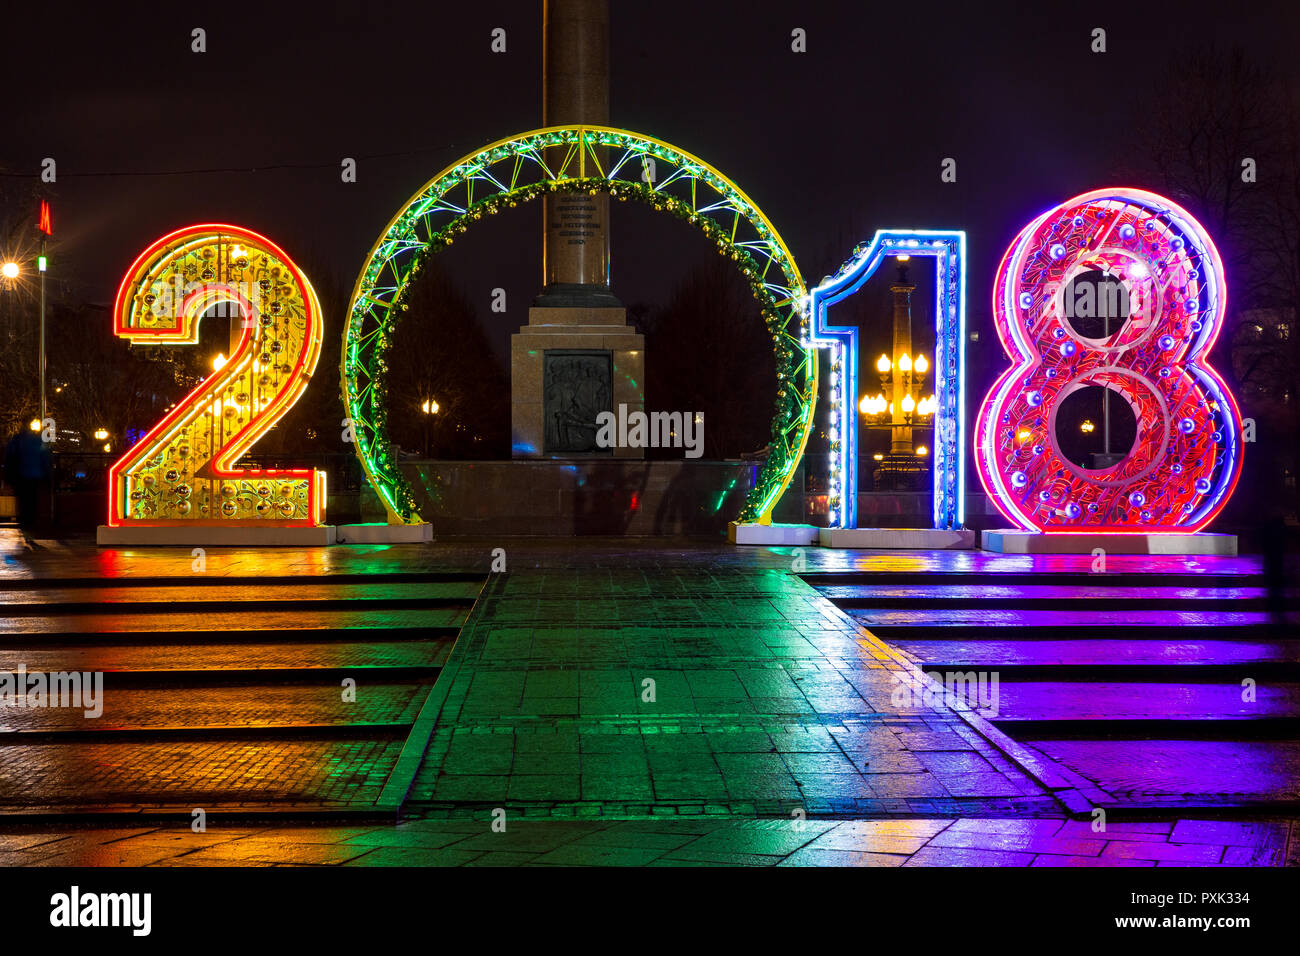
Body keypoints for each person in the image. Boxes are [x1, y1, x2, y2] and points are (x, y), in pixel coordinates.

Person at [2, 421, 52, 536]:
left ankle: (25, 524)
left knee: (23, 501)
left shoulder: (16, 440)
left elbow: (9, 458)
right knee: (33, 500)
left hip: (21, 475)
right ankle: (31, 524)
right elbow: (45, 457)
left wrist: (7, 477)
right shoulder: (38, 440)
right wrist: (48, 474)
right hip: (36, 475)